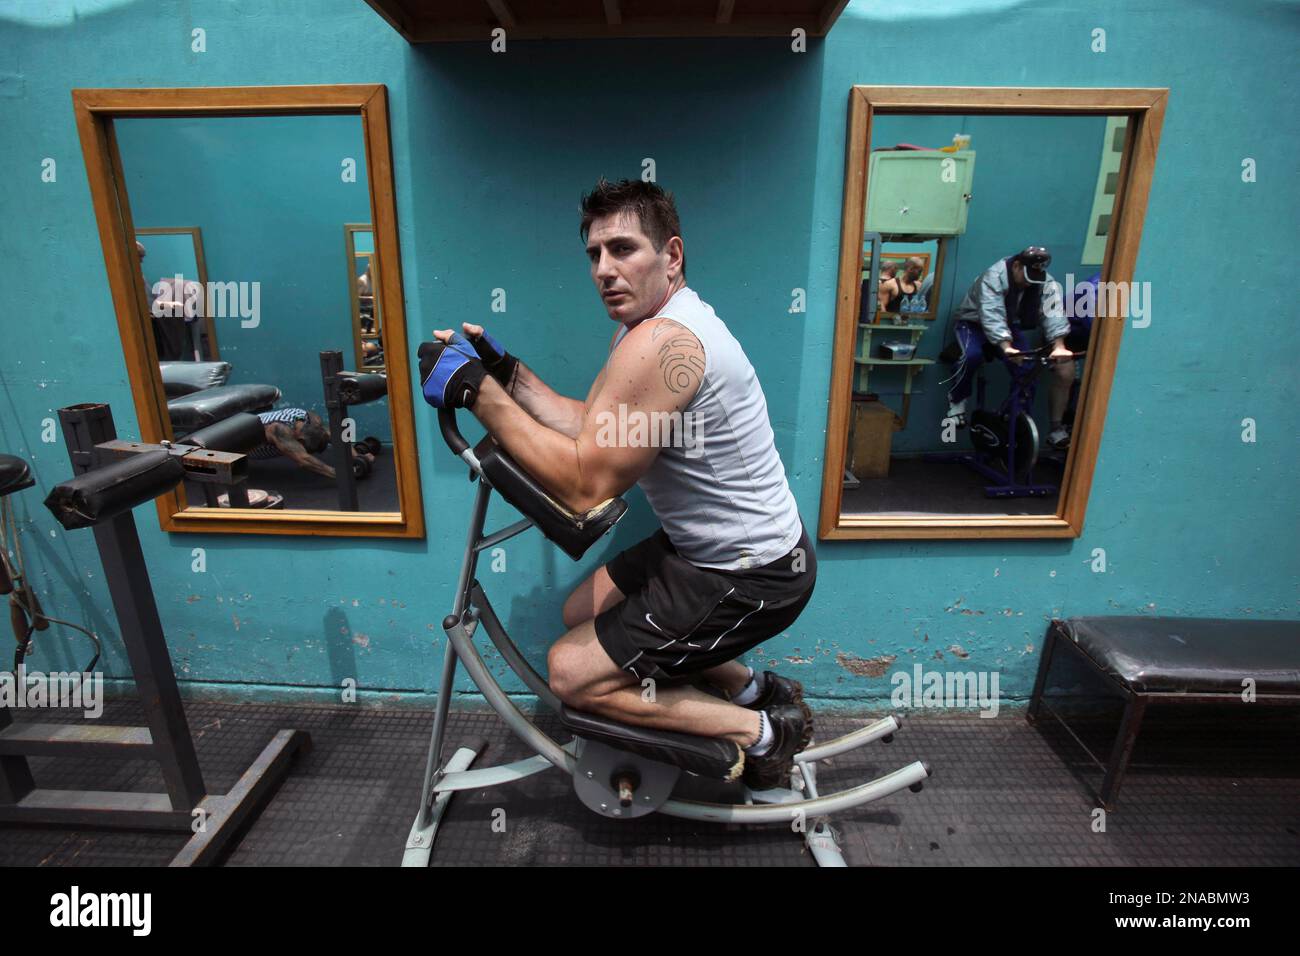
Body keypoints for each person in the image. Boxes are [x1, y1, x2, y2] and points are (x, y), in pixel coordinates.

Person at [417, 178, 817, 789]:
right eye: (594, 254)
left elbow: (586, 484)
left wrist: (476, 392)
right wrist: (507, 374)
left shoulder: (665, 343)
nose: (605, 269)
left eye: (623, 249)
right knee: (580, 608)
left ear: (672, 256)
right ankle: (753, 687)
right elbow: (594, 429)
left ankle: (763, 735)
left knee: (571, 673)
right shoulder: (647, 330)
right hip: (706, 550)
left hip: (749, 574)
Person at [943, 246, 1076, 448]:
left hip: (1008, 325)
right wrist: (1006, 347)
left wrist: (1059, 345)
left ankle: (1016, 418)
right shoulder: (993, 276)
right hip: (972, 323)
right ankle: (957, 399)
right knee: (972, 357)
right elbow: (992, 313)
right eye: (1026, 277)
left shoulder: (1044, 281)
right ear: (1016, 266)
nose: (1028, 283)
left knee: (1027, 369)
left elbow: (1053, 312)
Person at [247, 408, 373, 479]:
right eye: (307, 448)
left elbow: (333, 435)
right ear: (300, 441)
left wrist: (357, 457)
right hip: (237, 448)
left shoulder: (310, 418)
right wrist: (342, 474)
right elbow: (304, 460)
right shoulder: (279, 429)